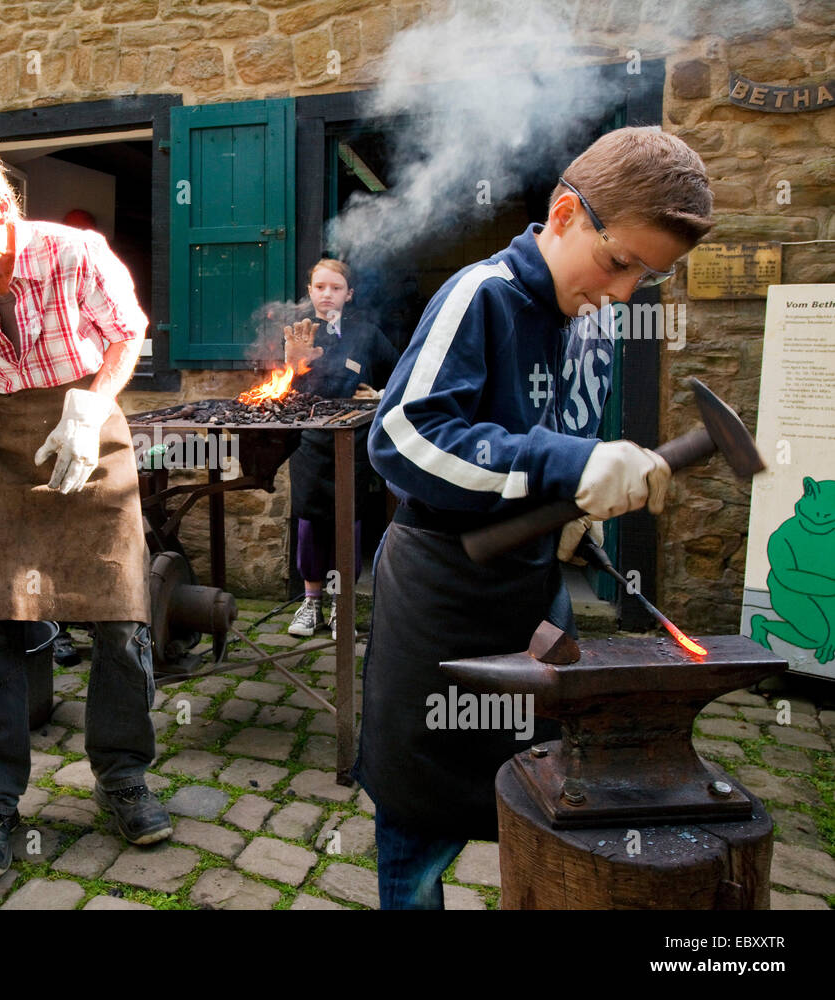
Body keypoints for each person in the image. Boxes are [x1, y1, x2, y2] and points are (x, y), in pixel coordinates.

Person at [355, 127, 713, 908]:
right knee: (420, 828)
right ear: (563, 215)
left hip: (531, 592)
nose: (623, 292)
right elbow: (404, 439)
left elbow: (562, 439)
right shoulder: (481, 296)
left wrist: (573, 504)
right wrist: (567, 466)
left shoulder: (594, 319)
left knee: (541, 786)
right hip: (441, 595)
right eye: (619, 263)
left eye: (645, 279)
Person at [0, 139, 172, 882]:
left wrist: (87, 408)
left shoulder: (75, 254)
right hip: (6, 449)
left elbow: (127, 333)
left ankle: (123, 778)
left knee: (121, 624)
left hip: (92, 433)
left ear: (2, 205)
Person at [283, 259, 399, 639]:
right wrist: (292, 366)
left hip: (352, 444)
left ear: (348, 294)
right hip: (309, 445)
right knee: (309, 523)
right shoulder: (295, 333)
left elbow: (401, 374)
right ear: (310, 290)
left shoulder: (365, 334)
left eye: (335, 288)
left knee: (347, 523)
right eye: (319, 287)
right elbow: (271, 392)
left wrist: (379, 395)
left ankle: (340, 604)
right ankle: (310, 602)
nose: (326, 294)